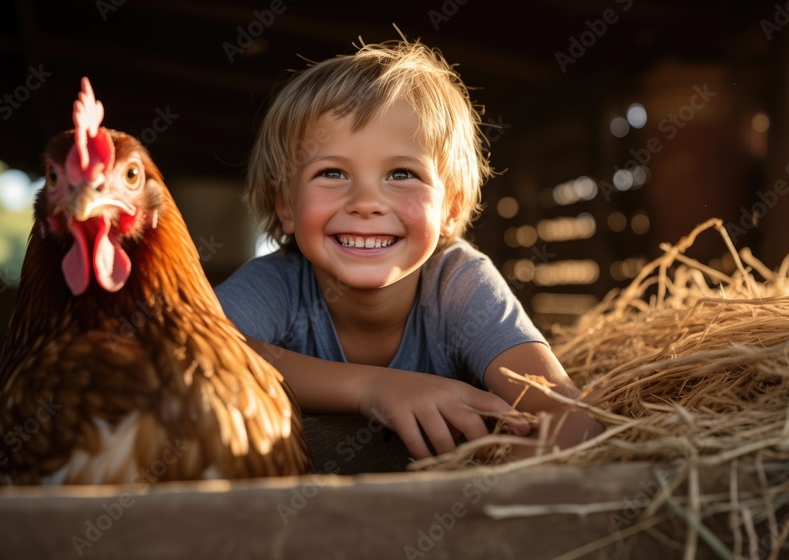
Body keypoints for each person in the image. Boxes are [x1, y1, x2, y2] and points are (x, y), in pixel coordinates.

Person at [216, 37, 604, 462]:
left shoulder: (458, 285)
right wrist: (372, 388)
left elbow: (569, 417)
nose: (366, 203)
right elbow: (199, 355)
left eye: (402, 173)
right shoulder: (278, 283)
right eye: (332, 172)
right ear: (285, 206)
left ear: (451, 208)